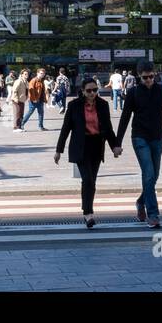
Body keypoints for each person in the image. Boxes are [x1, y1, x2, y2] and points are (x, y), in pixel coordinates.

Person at [115, 62, 162, 229]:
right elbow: (125, 117)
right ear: (139, 76)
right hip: (139, 137)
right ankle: (152, 214)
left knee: (154, 176)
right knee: (148, 173)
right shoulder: (133, 93)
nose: (148, 80)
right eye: (145, 77)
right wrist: (117, 143)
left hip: (157, 137)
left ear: (155, 75)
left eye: (151, 77)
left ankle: (141, 202)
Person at [55, 78, 119, 228]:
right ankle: (88, 213)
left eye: (95, 90)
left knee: (92, 181)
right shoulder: (74, 106)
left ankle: (88, 209)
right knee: (88, 180)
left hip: (97, 145)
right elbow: (66, 129)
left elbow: (108, 128)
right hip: (80, 146)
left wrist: (115, 146)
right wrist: (59, 150)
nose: (92, 93)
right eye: (89, 90)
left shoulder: (103, 105)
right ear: (83, 91)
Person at [10, 68, 31, 132]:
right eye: (25, 74)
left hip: (22, 100)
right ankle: (15, 128)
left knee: (21, 114)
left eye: (27, 74)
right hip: (16, 100)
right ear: (21, 75)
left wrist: (27, 97)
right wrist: (16, 99)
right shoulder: (18, 81)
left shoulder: (26, 81)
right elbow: (14, 90)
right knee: (17, 114)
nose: (26, 75)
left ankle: (20, 127)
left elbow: (27, 90)